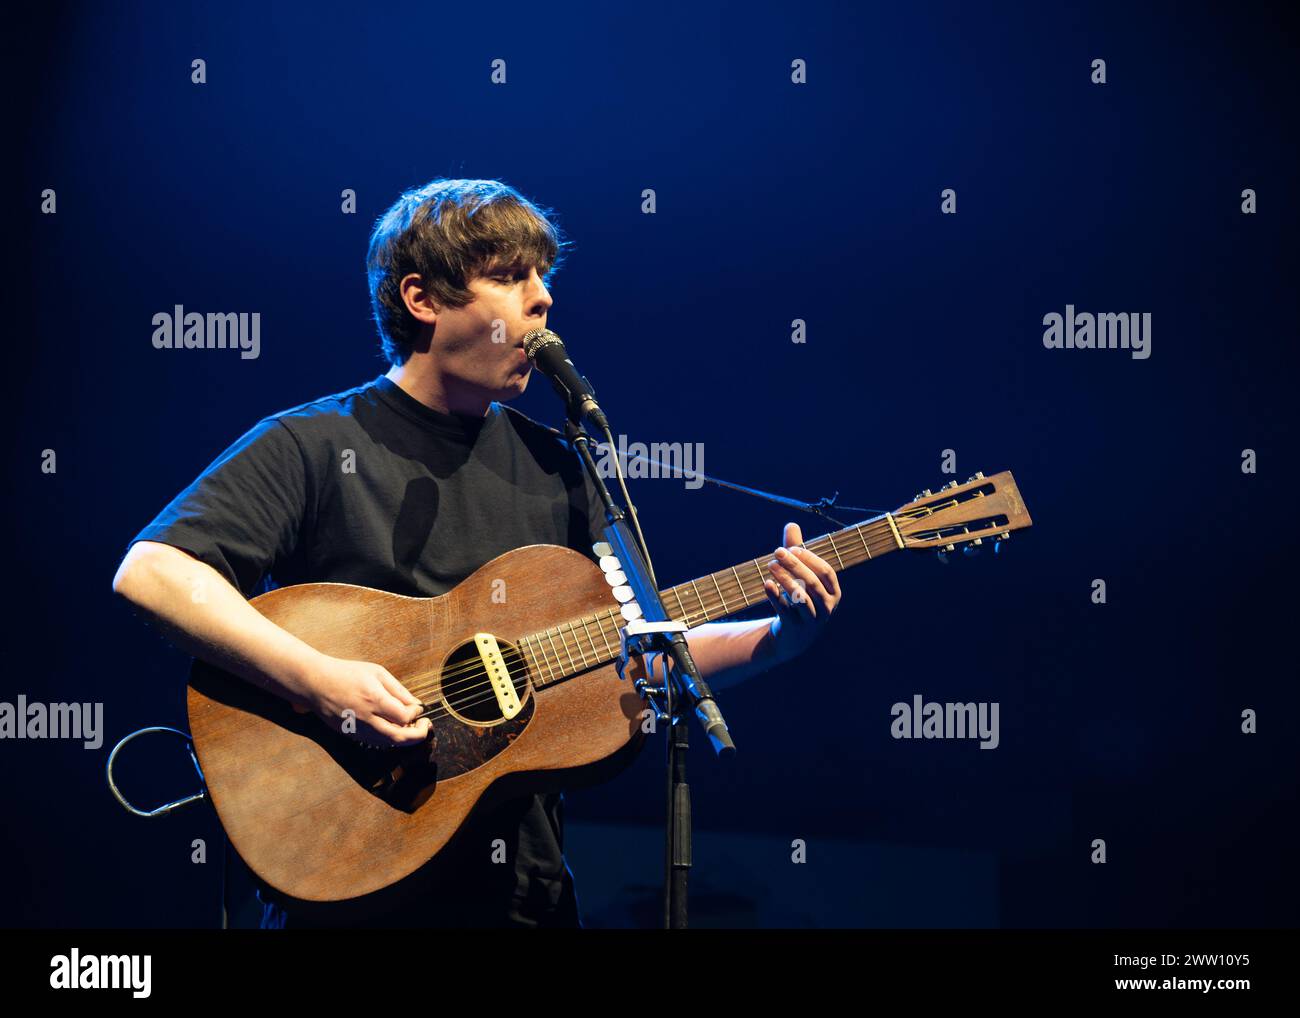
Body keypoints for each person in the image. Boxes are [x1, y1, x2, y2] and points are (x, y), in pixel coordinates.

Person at [111, 178, 843, 928]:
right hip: (349, 887)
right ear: (423, 298)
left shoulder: (563, 468)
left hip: (522, 902)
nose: (543, 297)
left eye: (544, 276)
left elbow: (641, 650)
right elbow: (154, 572)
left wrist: (779, 637)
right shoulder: (315, 445)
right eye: (510, 276)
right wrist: (322, 681)